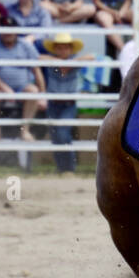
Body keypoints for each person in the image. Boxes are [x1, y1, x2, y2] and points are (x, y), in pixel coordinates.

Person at [39, 32, 93, 174]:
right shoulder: (51, 62)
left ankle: (69, 168)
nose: (62, 51)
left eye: (65, 48)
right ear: (55, 49)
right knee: (56, 136)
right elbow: (39, 57)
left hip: (68, 103)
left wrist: (69, 63)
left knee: (63, 133)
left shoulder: (75, 61)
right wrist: (60, 62)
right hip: (53, 103)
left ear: (70, 49)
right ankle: (62, 168)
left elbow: (91, 57)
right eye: (59, 48)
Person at [0, 20, 43, 141]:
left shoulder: (26, 46)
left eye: (11, 29)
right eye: (5, 29)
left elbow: (37, 70)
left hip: (22, 88)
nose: (8, 32)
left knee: (34, 91)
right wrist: (3, 87)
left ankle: (25, 131)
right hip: (0, 88)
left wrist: (43, 94)